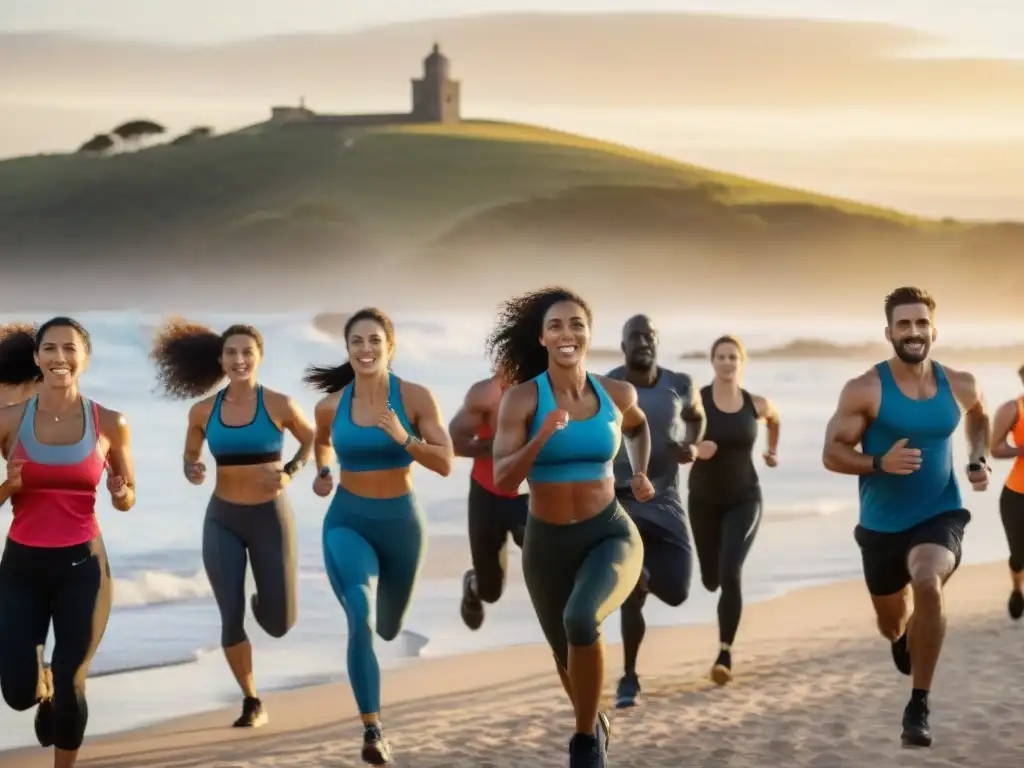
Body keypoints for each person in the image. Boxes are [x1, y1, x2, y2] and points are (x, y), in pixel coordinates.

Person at [488, 287, 654, 768]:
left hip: (609, 533)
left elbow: (639, 428)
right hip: (547, 544)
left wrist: (639, 470)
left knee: (582, 619)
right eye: (556, 325)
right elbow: (504, 478)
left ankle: (584, 746)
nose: (567, 334)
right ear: (541, 337)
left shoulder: (616, 394)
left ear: (588, 334)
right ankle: (593, 722)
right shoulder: (521, 400)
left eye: (576, 325)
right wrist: (541, 435)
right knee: (568, 659)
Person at [822, 286, 990, 748]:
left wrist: (976, 459)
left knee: (927, 581)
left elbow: (977, 414)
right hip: (880, 528)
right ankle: (902, 638)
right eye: (903, 324)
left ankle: (918, 704)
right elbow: (832, 454)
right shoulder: (865, 389)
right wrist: (878, 463)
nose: (913, 332)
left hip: (941, 511)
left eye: (920, 324)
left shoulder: (960, 383)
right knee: (891, 624)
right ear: (889, 332)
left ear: (933, 330)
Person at [306, 307, 453, 766]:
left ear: (390, 345)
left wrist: (403, 437)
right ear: (347, 349)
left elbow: (446, 462)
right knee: (361, 615)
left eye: (374, 341)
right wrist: (323, 471)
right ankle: (373, 728)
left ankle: (376, 703)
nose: (365, 349)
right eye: (356, 342)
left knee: (389, 626)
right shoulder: (331, 404)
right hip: (347, 520)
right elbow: (323, 439)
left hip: (401, 525)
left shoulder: (415, 398)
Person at [150, 319, 314, 729]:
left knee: (279, 623)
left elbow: (312, 439)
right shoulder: (203, 411)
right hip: (222, 518)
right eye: (231, 353)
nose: (239, 359)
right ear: (220, 359)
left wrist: (291, 470)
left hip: (270, 517)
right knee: (230, 614)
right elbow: (190, 455)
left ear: (259, 356)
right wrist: (192, 468)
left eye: (246, 352)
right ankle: (251, 698)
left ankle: (267, 602)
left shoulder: (279, 404)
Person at [0, 317, 135, 768]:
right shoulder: (8, 421)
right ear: (37, 358)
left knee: (72, 676)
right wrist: (8, 488)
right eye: (50, 349)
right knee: (17, 693)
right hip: (21, 569)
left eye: (70, 348)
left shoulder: (111, 422)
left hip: (84, 566)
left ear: (85, 358)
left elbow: (127, 498)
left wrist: (121, 493)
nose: (60, 357)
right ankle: (42, 688)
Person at [606, 314, 706, 709]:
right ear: (624, 346)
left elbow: (697, 418)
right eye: (635, 337)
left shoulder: (680, 384)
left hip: (666, 501)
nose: (643, 342)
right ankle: (629, 678)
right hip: (621, 500)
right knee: (632, 596)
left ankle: (641, 576)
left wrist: (692, 446)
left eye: (650, 336)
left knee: (678, 591)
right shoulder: (608, 386)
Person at [688, 334, 779, 687]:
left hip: (745, 497)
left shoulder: (755, 404)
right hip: (703, 500)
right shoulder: (696, 403)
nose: (726, 362)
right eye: (720, 357)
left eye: (732, 357)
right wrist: (695, 450)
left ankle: (724, 653)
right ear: (712, 362)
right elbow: (676, 443)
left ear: (741, 362)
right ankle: (714, 578)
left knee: (731, 571)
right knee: (711, 578)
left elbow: (775, 418)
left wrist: (772, 451)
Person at [448, 375, 529, 630]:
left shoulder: (552, 389)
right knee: (490, 591)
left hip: (527, 496)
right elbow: (456, 442)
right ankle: (473, 585)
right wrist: (496, 446)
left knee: (552, 565)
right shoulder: (487, 394)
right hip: (487, 494)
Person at [987, 363, 1024, 619]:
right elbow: (995, 448)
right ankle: (1016, 588)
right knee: (1019, 554)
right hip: (1017, 495)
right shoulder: (1013, 409)